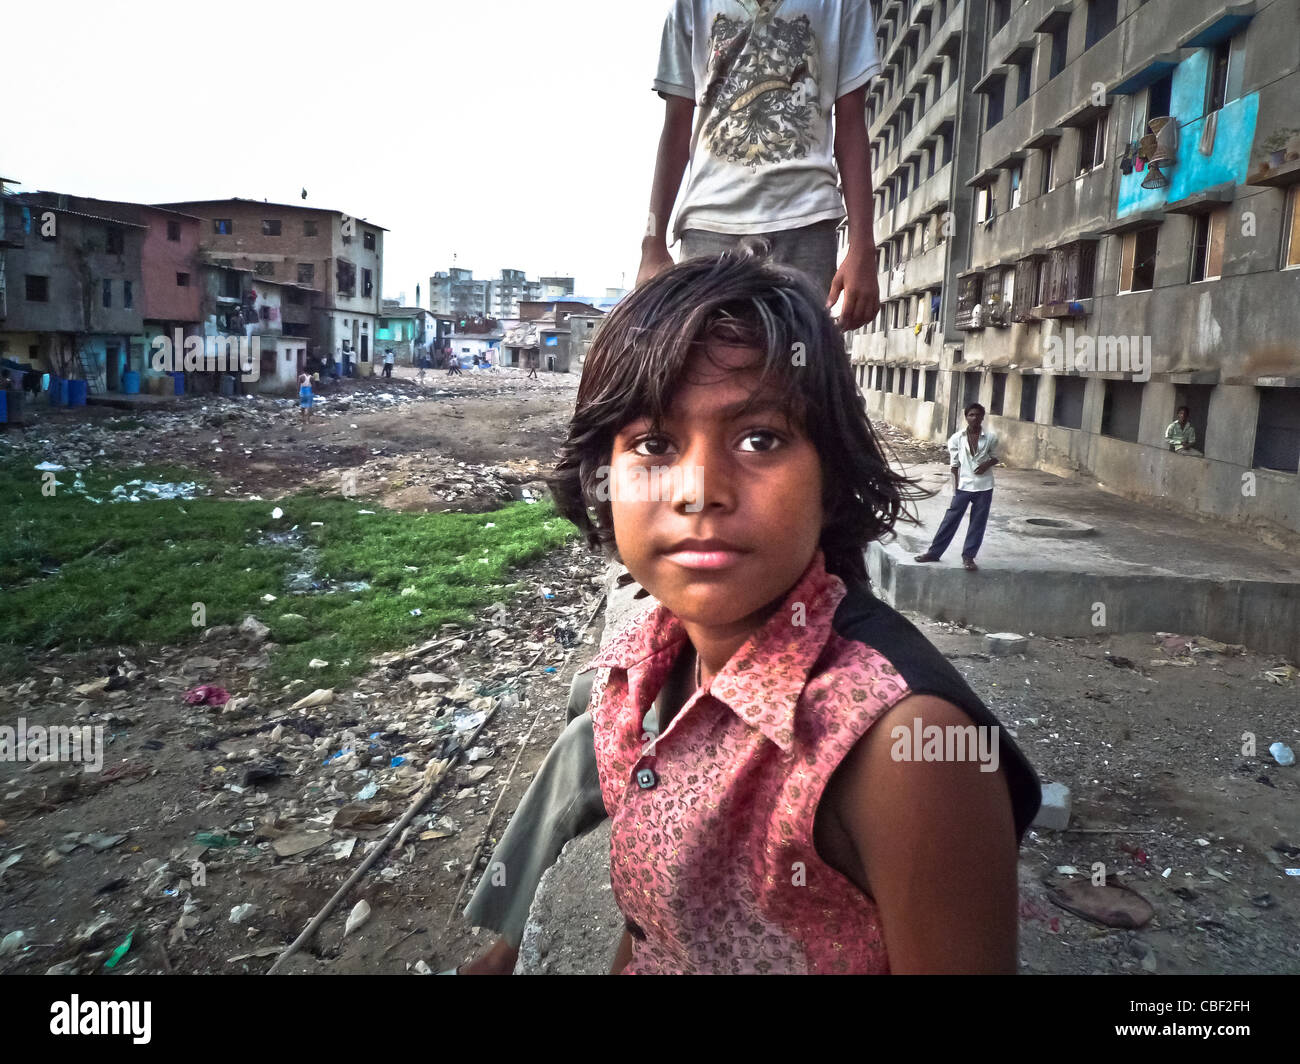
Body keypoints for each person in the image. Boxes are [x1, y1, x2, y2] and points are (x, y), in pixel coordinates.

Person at [452, 251, 1040, 975]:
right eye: (654, 444)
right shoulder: (642, 673)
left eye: (759, 439)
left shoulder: (905, 747)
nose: (700, 491)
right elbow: (654, 931)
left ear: (831, 478)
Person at [637, 0, 881, 331]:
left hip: (805, 222)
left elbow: (852, 126)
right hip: (710, 227)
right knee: (705, 367)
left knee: (799, 368)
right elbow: (676, 130)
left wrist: (862, 249)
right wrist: (652, 245)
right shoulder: (691, 6)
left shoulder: (842, 5)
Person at [914, 403, 999, 573]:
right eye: (971, 415)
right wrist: (956, 489)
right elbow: (954, 465)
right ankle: (934, 553)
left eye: (978, 415)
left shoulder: (990, 437)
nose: (974, 418)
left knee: (978, 522)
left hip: (984, 487)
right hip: (964, 486)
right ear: (966, 417)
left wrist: (986, 465)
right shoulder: (956, 438)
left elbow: (996, 457)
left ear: (983, 417)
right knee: (950, 520)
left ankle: (968, 557)